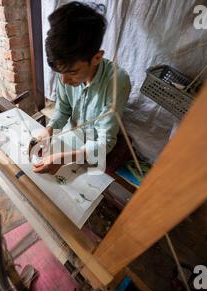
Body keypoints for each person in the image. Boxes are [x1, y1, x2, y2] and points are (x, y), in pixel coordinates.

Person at [31, 1, 131, 175]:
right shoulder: (65, 71)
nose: (64, 80)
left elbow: (105, 141)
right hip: (73, 137)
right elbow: (63, 111)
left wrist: (67, 158)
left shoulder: (117, 82)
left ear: (96, 58)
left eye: (73, 72)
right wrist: (49, 130)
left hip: (99, 148)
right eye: (59, 73)